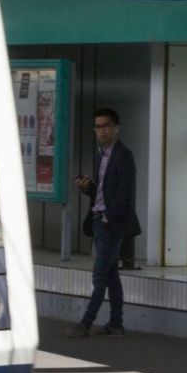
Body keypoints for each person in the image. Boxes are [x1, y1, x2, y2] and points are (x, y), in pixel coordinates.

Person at [66, 107, 141, 337]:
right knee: (110, 276)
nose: (102, 131)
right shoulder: (101, 153)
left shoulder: (123, 155)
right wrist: (88, 187)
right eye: (98, 127)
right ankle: (116, 324)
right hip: (100, 219)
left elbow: (124, 193)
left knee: (100, 275)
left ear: (116, 128)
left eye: (106, 126)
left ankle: (86, 323)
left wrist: (108, 215)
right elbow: (102, 190)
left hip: (111, 222)